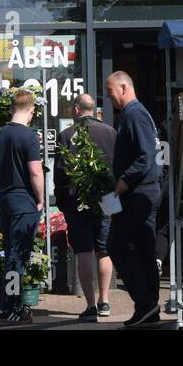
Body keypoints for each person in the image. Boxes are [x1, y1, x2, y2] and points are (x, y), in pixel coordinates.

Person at [105, 71, 163, 328]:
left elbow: (145, 155)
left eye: (111, 93)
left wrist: (123, 181)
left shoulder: (134, 114)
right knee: (143, 250)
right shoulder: (138, 114)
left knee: (116, 245)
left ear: (124, 87)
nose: (110, 100)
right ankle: (149, 307)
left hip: (137, 193)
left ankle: (145, 302)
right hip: (143, 192)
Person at [53, 93, 117, 322]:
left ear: (77, 110)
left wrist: (62, 201)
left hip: (76, 201)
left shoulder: (67, 135)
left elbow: (60, 173)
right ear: (95, 111)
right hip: (106, 200)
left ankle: (90, 306)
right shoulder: (111, 133)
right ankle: (105, 301)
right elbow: (117, 167)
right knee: (104, 250)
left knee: (83, 252)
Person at [0, 89, 44, 325]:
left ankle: (10, 303)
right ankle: (8, 306)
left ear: (12, 109)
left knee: (11, 252)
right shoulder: (29, 137)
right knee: (18, 256)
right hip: (24, 201)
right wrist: (40, 199)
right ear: (31, 111)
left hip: (4, 199)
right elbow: (35, 171)